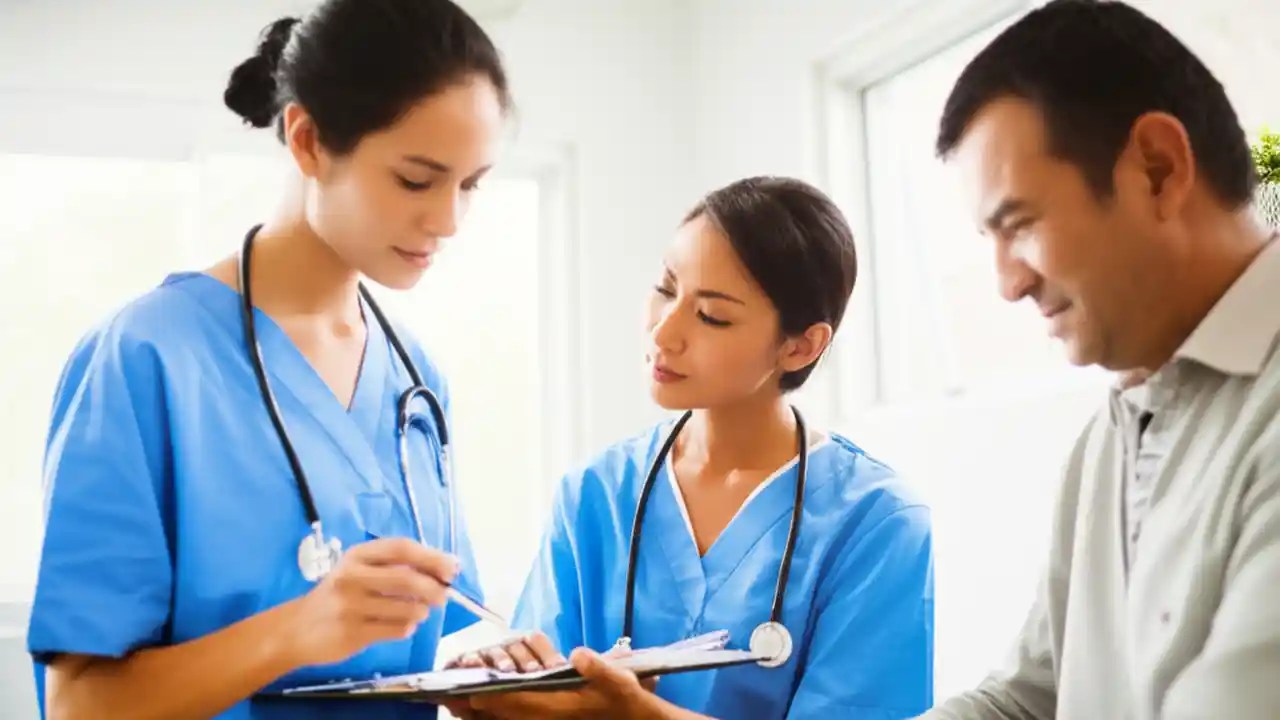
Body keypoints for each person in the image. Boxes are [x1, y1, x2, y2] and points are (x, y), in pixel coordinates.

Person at [25, 1, 510, 718]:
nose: (449, 221)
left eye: (470, 185)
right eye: (416, 180)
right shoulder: (146, 359)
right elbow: (79, 705)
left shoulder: (414, 378)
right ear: (308, 139)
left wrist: (484, 664)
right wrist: (299, 630)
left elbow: (437, 632)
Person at [449, 177, 936, 719]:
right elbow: (545, 699)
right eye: (665, 288)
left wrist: (635, 714)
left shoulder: (877, 522)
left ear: (800, 345)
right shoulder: (598, 495)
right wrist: (493, 699)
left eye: (711, 316)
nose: (664, 333)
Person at [916, 1, 1280, 718]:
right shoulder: (1107, 441)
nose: (1008, 283)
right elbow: (1027, 701)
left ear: (1157, 169)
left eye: (1018, 225)